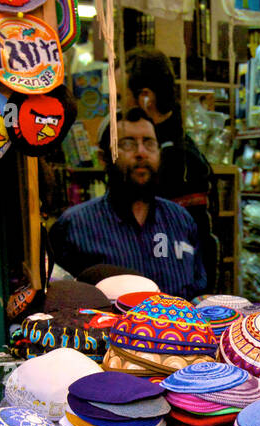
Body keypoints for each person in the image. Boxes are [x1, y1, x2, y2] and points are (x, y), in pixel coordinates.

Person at [49, 108, 208, 300]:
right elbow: (59, 302)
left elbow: (199, 293)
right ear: (103, 157)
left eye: (149, 143)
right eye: (128, 144)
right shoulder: (74, 226)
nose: (141, 152)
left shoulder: (181, 221)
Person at [126, 47, 218, 289]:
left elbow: (186, 248)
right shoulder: (169, 148)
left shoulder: (176, 158)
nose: (116, 105)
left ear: (146, 98)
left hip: (169, 298)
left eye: (119, 96)